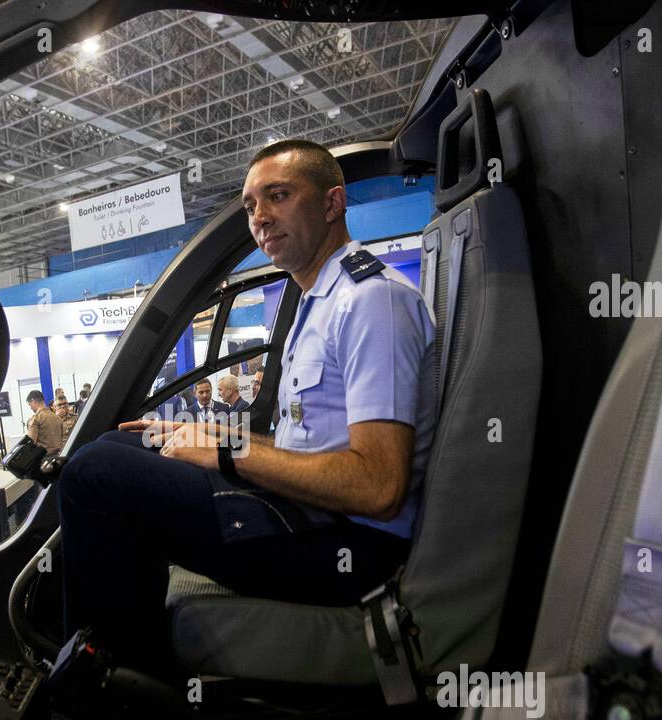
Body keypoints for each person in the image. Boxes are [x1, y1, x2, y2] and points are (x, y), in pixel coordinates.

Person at [55, 138, 437, 668]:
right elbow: (306, 448)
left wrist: (228, 455)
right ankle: (127, 649)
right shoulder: (315, 299)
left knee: (93, 474)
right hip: (312, 516)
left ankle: (114, 687)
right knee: (124, 441)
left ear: (332, 204)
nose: (260, 217)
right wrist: (215, 437)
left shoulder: (371, 301)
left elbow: (378, 486)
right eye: (251, 205)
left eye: (278, 195)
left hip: (348, 549)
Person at [25, 390, 62, 456]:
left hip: (43, 460)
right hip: (58, 457)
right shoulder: (57, 418)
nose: (30, 408)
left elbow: (30, 443)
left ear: (33, 401)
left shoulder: (35, 419)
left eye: (30, 405)